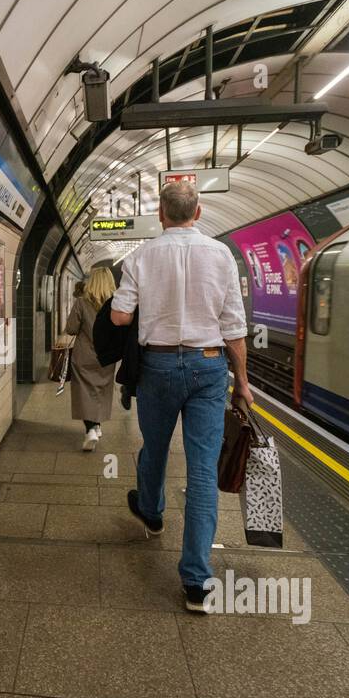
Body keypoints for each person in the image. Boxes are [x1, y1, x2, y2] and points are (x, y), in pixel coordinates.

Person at [110, 180, 250, 614]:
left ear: (160, 215)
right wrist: (242, 383)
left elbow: (119, 316)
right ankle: (195, 581)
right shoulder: (222, 254)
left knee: (155, 447)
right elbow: (234, 328)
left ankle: (151, 511)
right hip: (210, 367)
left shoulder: (141, 256)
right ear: (199, 212)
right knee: (203, 470)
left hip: (159, 366)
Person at [64, 265, 119, 451]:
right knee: (101, 391)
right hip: (107, 356)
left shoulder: (81, 302)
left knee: (84, 392)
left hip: (84, 355)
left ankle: (90, 430)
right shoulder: (117, 302)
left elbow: (71, 328)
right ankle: (97, 426)